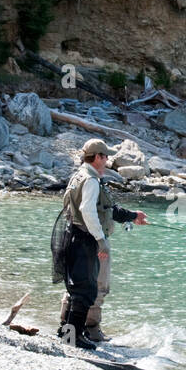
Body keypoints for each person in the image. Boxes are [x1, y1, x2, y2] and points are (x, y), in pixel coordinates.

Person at [55, 138, 147, 349]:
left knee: (76, 288)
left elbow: (104, 209)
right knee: (86, 289)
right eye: (105, 157)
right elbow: (88, 211)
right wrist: (101, 240)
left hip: (73, 235)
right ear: (97, 157)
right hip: (85, 239)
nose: (107, 161)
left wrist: (132, 215)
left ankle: (67, 334)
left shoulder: (78, 176)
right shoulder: (91, 181)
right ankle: (75, 338)